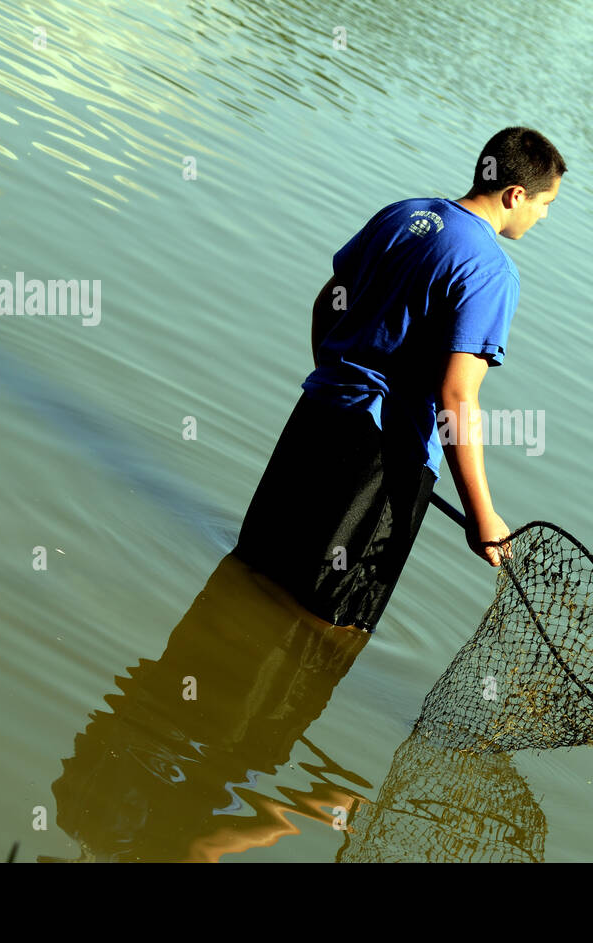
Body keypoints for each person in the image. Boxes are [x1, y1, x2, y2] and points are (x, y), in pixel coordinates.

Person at [234, 127, 566, 633]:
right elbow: (456, 395)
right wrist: (482, 514)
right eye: (545, 204)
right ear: (516, 194)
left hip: (315, 419)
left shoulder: (403, 214)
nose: (544, 216)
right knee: (323, 624)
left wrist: (337, 377)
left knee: (254, 570)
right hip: (383, 460)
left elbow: (328, 302)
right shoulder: (492, 272)